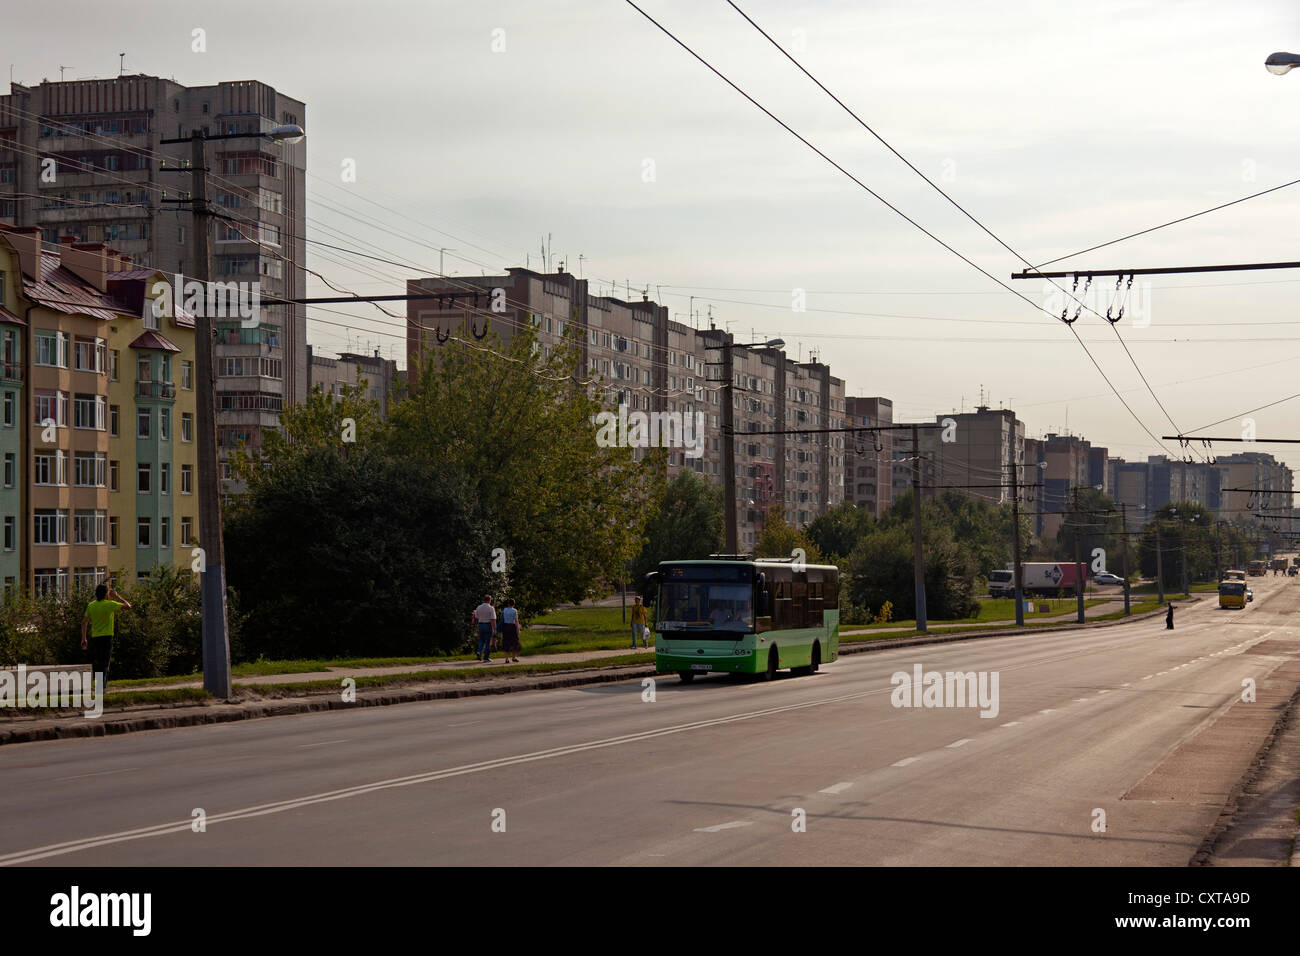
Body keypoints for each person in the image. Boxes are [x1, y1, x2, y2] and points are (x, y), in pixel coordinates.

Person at [81, 582, 132, 689]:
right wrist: (117, 596)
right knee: (105, 663)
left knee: (99, 662)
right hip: (107, 637)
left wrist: (84, 638)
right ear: (105, 594)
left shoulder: (91, 605)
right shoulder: (110, 604)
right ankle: (101, 687)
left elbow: (84, 622)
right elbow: (128, 606)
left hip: (95, 637)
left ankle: (100, 685)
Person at [472, 595, 497, 662]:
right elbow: (493, 619)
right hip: (488, 624)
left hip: (480, 625)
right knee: (488, 642)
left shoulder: (478, 607)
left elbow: (476, 617)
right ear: (489, 600)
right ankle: (486, 657)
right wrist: (495, 629)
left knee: (481, 640)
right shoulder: (491, 608)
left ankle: (479, 652)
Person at [499, 598, 521, 663]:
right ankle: (514, 657)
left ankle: (506, 659)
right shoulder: (514, 611)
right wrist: (518, 629)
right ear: (514, 604)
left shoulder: (504, 610)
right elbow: (516, 621)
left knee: (506, 642)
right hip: (512, 627)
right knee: (514, 642)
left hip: (505, 627)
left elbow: (501, 619)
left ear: (508, 603)